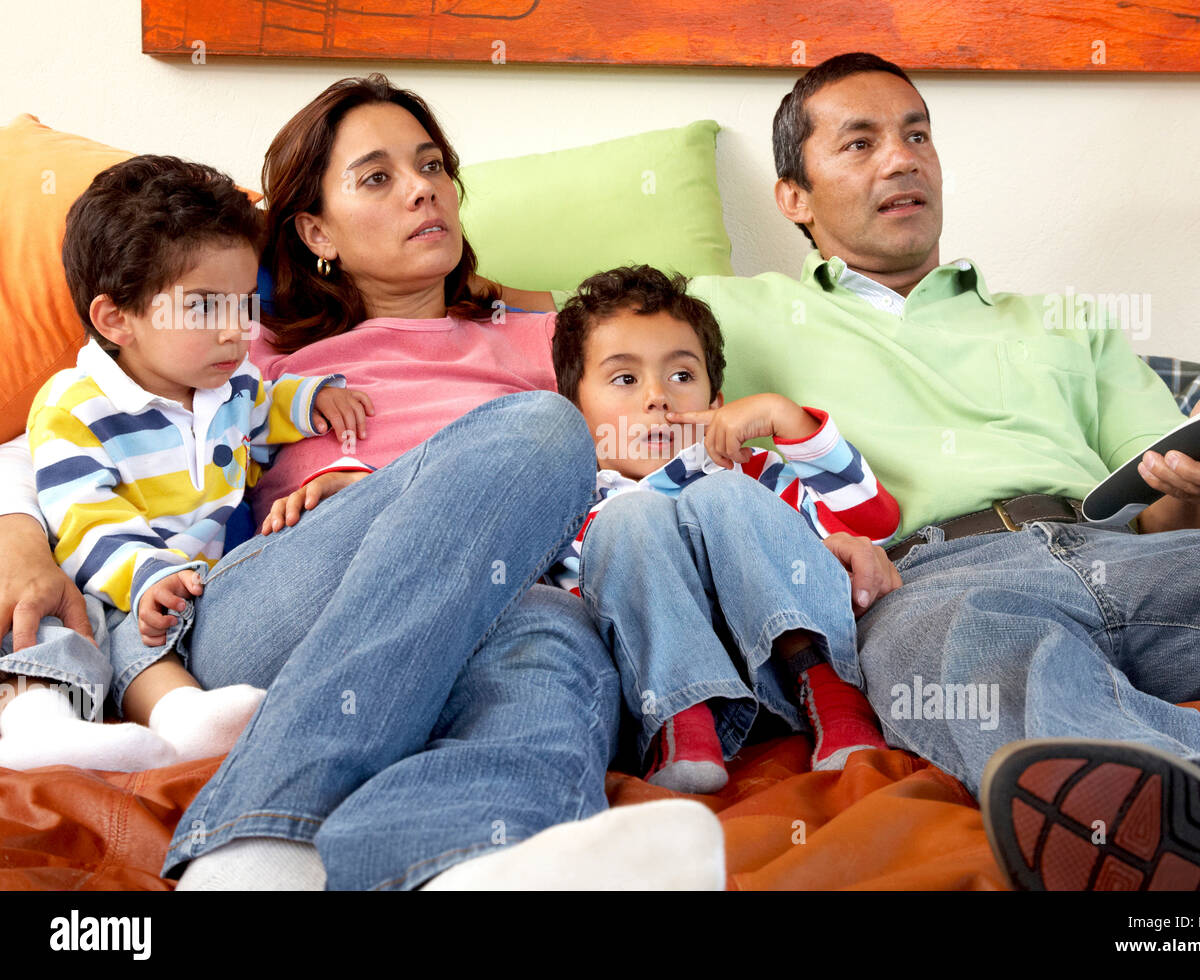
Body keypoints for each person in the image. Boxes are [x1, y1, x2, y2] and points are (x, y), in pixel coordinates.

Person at [533, 53, 1200, 889]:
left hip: (1139, 557)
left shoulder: (1064, 321)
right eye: (859, 143)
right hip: (926, 576)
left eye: (916, 136)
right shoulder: (723, 312)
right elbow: (581, 351)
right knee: (971, 649)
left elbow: (1166, 511)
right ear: (792, 198)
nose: (901, 159)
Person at [0, 74, 726, 890]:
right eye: (378, 177)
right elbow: (69, 434)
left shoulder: (556, 339)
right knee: (541, 430)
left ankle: (460, 863)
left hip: (505, 603)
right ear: (316, 229)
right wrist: (19, 539)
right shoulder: (246, 342)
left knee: (553, 632)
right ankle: (254, 837)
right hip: (283, 604)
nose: (423, 189)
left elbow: (673, 426)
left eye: (433, 166)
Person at [13, 155, 372, 771]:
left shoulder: (230, 389)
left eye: (242, 304)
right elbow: (83, 516)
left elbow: (267, 409)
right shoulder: (76, 405)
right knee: (64, 624)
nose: (237, 332)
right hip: (99, 574)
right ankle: (35, 719)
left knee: (147, 642)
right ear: (116, 319)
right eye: (205, 308)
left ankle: (182, 720)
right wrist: (145, 575)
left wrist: (315, 398)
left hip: (179, 594)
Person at [549, 265, 899, 793]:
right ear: (576, 412)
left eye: (682, 376)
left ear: (716, 404)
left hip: (786, 682)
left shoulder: (747, 468)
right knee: (629, 519)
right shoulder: (572, 507)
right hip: (657, 690)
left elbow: (872, 522)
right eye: (625, 379)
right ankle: (683, 721)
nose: (658, 398)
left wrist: (783, 416)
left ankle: (831, 690)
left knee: (723, 491)